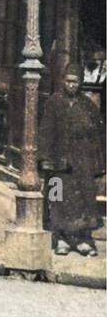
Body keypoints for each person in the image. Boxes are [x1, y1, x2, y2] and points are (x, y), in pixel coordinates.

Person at [38, 68, 104, 257]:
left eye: (75, 81)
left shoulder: (87, 105)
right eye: (68, 81)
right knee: (57, 198)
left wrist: (97, 163)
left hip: (82, 162)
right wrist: (44, 159)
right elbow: (45, 131)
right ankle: (61, 239)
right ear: (63, 81)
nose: (71, 85)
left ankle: (82, 240)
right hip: (58, 163)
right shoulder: (54, 102)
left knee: (83, 200)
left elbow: (98, 134)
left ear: (80, 82)